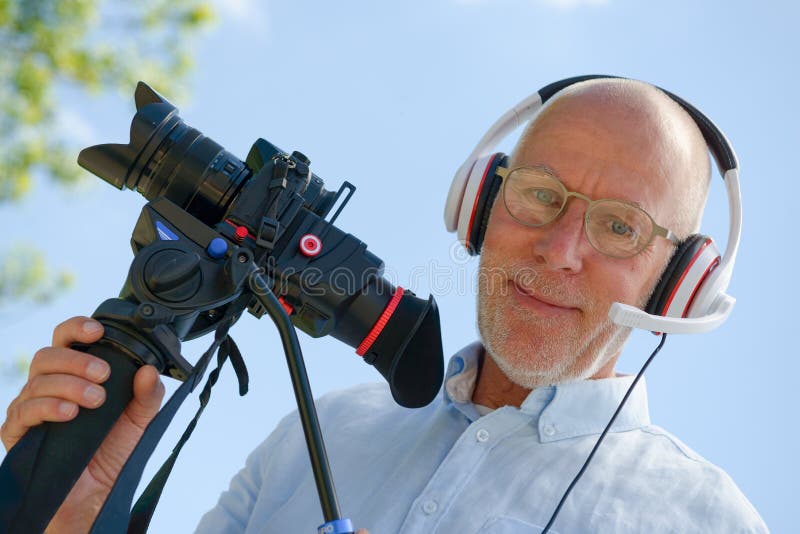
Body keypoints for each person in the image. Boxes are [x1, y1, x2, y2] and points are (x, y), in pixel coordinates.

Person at [1, 78, 768, 533]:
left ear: (677, 285)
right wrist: (77, 509)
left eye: (619, 227)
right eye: (540, 196)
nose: (561, 248)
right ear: (481, 207)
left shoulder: (706, 518)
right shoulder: (324, 430)